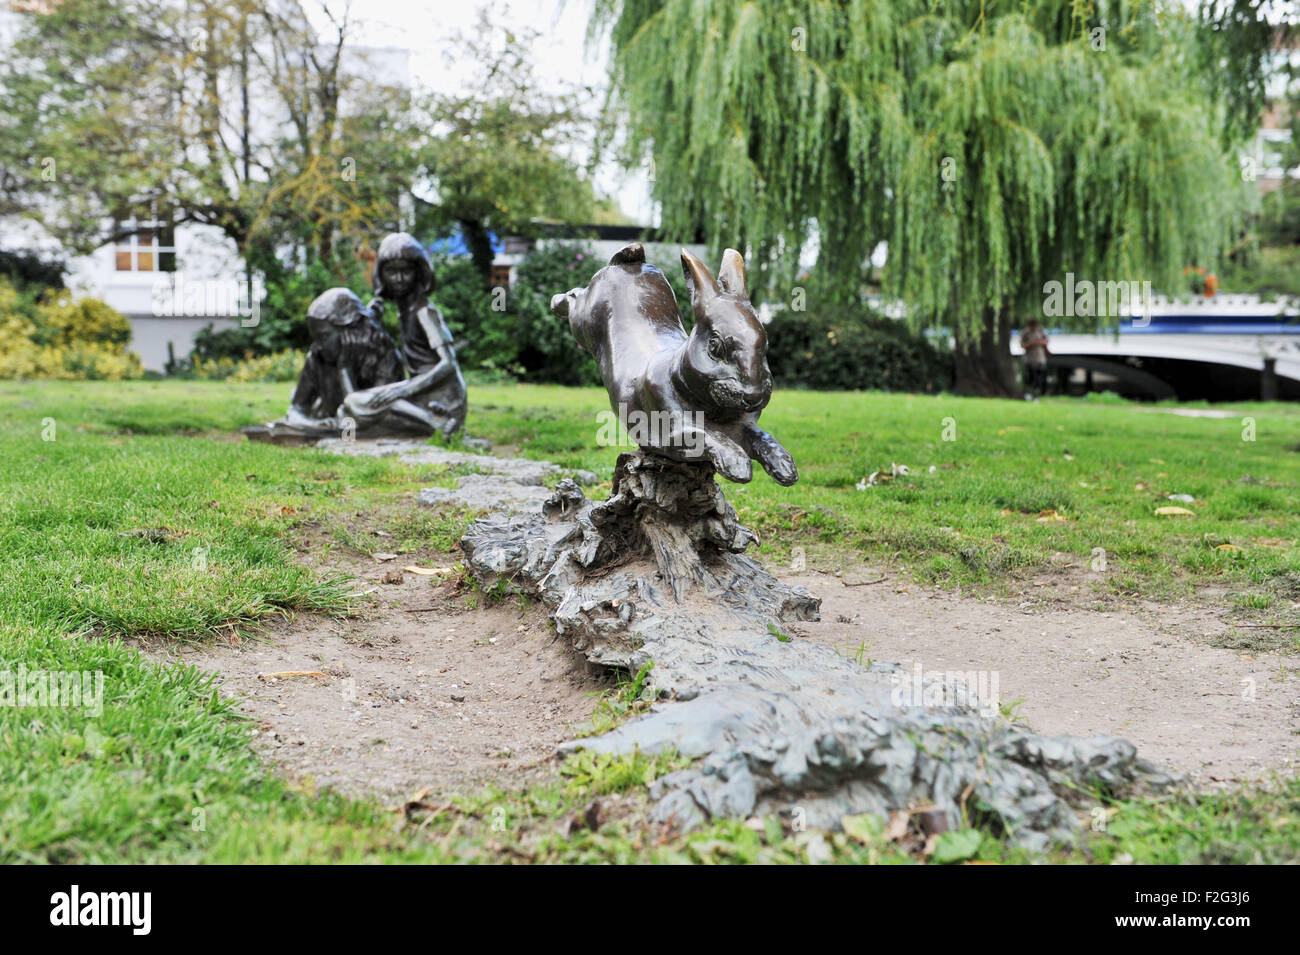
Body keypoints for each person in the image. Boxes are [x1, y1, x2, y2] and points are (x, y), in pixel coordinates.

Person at [342, 233, 467, 439]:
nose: (399, 279)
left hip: (445, 396)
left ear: (419, 272)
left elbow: (448, 364)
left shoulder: (424, 311)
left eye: (406, 271)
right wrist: (371, 322)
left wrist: (403, 390)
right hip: (420, 392)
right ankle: (428, 421)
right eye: (391, 272)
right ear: (382, 274)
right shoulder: (404, 310)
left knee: (354, 403)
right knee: (351, 408)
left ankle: (436, 422)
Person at [286, 288, 406, 430]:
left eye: (323, 337)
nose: (317, 345)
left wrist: (344, 370)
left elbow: (364, 418)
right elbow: (295, 410)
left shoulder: (387, 358)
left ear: (349, 331)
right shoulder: (317, 357)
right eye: (315, 338)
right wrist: (312, 424)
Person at [1020, 319, 1049, 400]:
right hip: (1030, 359)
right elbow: (1022, 345)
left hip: (1040, 359)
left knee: (1038, 379)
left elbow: (1046, 342)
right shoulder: (1025, 333)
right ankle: (1028, 394)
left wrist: (1039, 342)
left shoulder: (1041, 331)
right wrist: (1032, 343)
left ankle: (1036, 395)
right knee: (1030, 378)